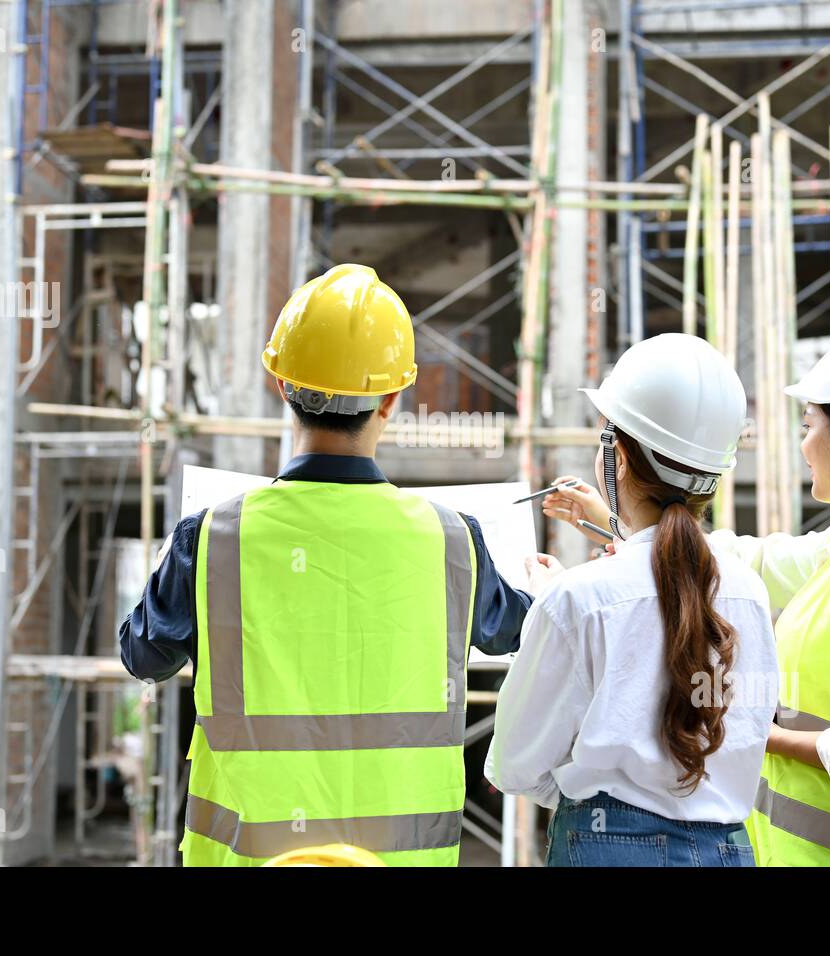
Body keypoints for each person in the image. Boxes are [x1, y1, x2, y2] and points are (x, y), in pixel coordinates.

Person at [119, 263, 533, 866]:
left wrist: (174, 565)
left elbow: (143, 656)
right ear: (393, 398)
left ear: (282, 386)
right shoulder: (452, 542)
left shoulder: (210, 539)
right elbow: (518, 632)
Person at [543, 329, 830, 867]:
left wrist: (763, 737)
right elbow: (744, 561)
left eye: (808, 425)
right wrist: (616, 524)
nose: (802, 444)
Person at [485, 333, 779, 867]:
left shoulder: (579, 599)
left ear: (616, 458)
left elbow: (513, 766)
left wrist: (593, 786)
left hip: (604, 846)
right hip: (729, 850)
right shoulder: (749, 594)